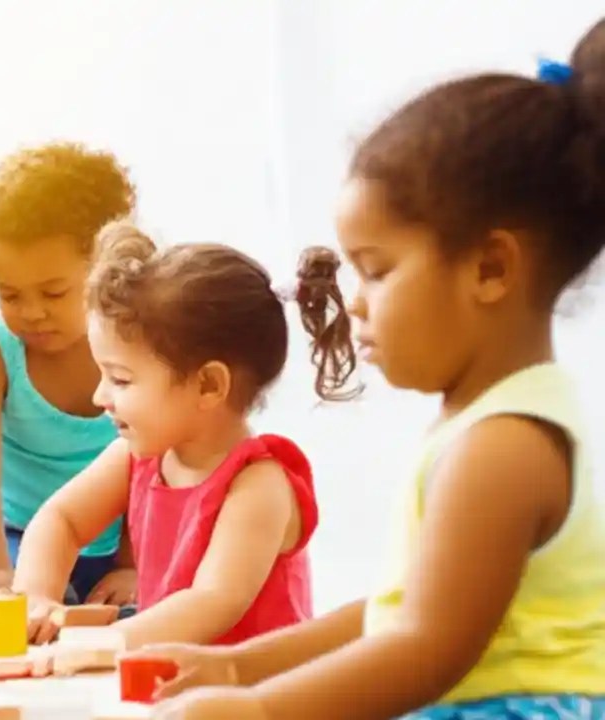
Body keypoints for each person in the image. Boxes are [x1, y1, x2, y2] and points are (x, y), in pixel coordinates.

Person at [143, 19, 605, 720]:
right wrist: (239, 667)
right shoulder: (491, 423)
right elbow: (399, 611)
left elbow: (424, 648)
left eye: (378, 271)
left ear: (489, 268)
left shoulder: (502, 446)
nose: (355, 302)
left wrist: (258, 709)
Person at [12, 220, 358, 649]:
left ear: (209, 385)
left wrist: (98, 644)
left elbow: (212, 601)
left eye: (120, 379)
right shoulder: (136, 459)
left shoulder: (259, 485)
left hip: (258, 686)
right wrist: (35, 598)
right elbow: (60, 520)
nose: (100, 397)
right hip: (175, 677)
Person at [0, 141, 137, 605]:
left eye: (54, 293)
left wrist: (133, 565)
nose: (32, 312)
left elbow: (157, 464)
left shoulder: (143, 354)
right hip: (15, 540)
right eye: (10, 295)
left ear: (107, 269)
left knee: (141, 610)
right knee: (30, 609)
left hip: (117, 548)